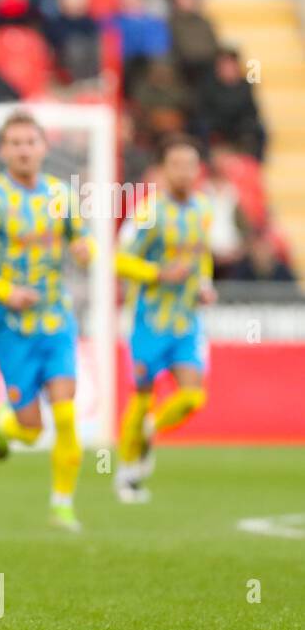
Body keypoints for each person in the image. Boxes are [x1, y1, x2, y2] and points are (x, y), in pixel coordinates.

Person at [0, 111, 95, 532]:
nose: (23, 149)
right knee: (31, 430)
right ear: (2, 151)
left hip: (56, 319)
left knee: (66, 414)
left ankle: (63, 504)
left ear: (44, 148)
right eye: (15, 143)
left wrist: (85, 249)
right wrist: (4, 291)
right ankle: (6, 424)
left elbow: (80, 238)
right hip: (11, 328)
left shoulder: (60, 195)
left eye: (30, 141)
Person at [115, 135, 217, 502]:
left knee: (193, 397)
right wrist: (157, 273)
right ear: (162, 170)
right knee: (141, 396)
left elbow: (201, 255)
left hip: (185, 321)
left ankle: (150, 430)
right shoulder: (148, 212)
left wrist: (204, 283)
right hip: (148, 321)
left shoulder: (204, 209)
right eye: (176, 165)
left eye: (190, 165)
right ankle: (127, 475)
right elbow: (119, 258)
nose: (184, 173)